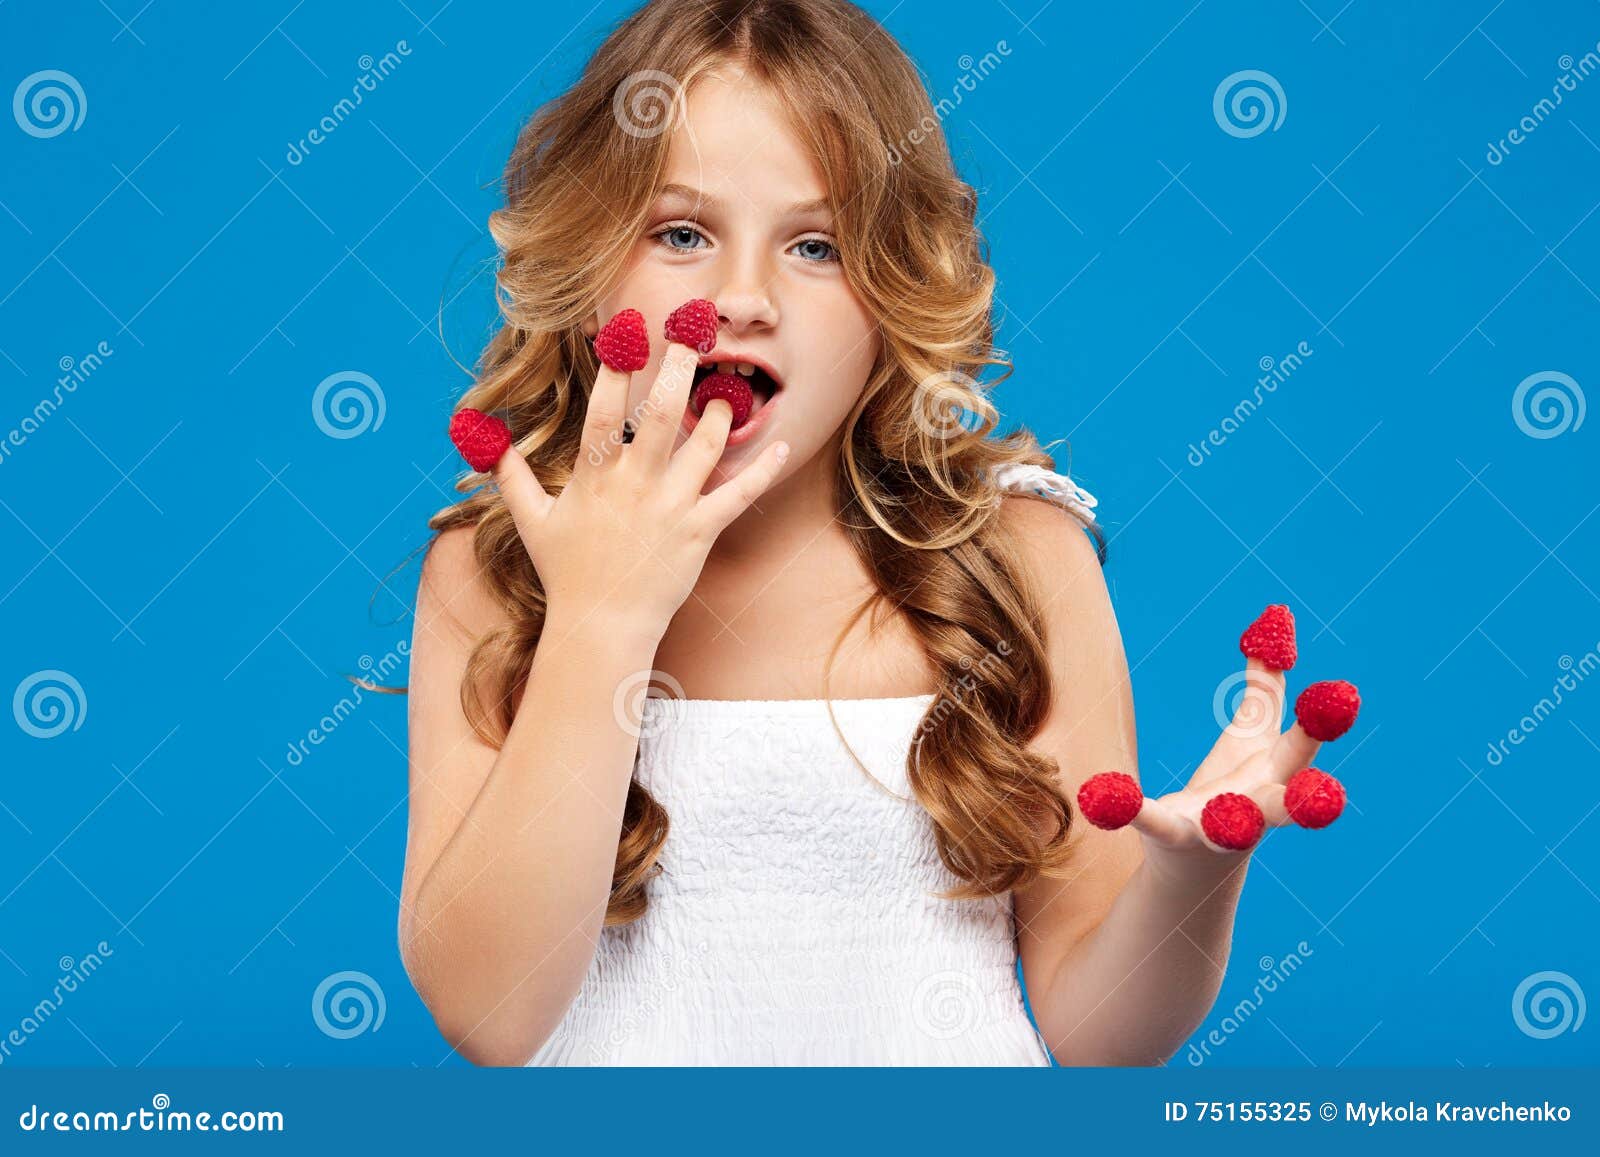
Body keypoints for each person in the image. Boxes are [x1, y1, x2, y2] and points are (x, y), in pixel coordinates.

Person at [396, 0, 1355, 1066]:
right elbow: (490, 1012)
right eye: (680, 232)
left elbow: (1101, 1032)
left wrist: (1190, 874)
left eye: (816, 245)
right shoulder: (490, 573)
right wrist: (600, 611)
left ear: (893, 293)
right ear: (589, 270)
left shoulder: (1016, 557)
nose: (742, 296)